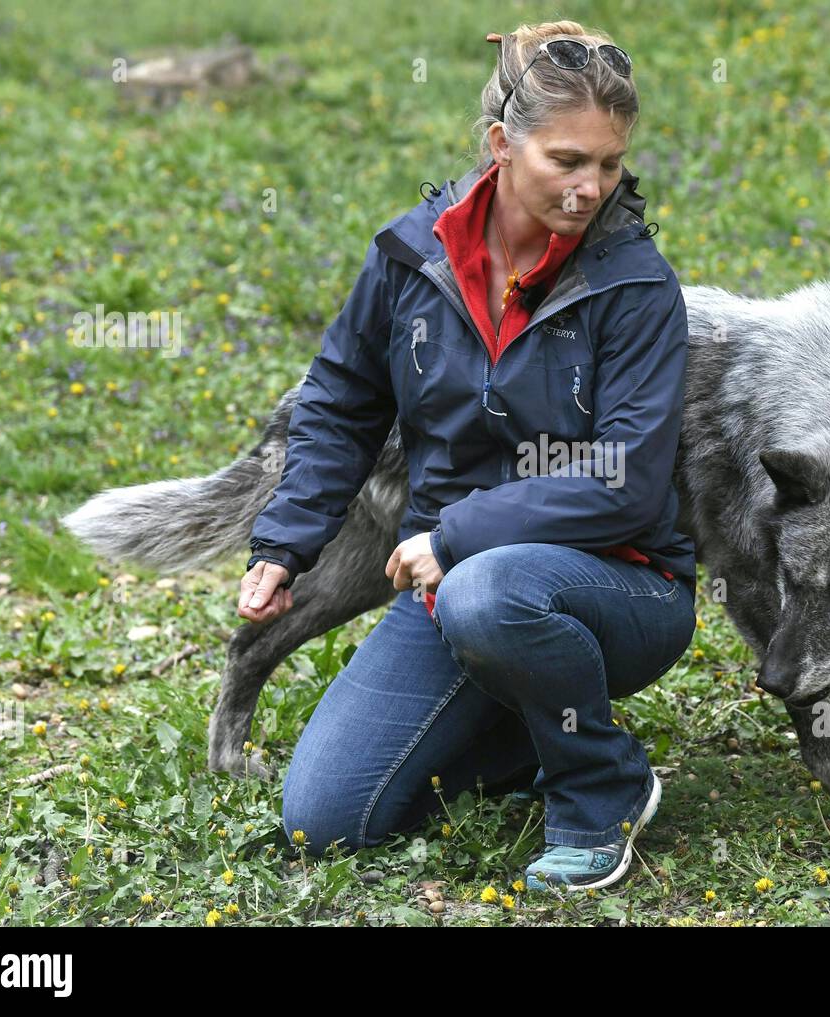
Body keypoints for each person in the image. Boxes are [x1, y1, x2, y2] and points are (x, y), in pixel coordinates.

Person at [237, 20, 696, 893]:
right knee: (325, 819)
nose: (591, 185)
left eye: (608, 163)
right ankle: (537, 717)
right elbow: (341, 400)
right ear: (500, 145)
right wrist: (285, 542)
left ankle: (602, 786)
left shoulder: (636, 285)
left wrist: (459, 536)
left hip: (618, 586)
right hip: (450, 591)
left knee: (489, 590)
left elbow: (626, 479)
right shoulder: (412, 255)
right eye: (567, 161)